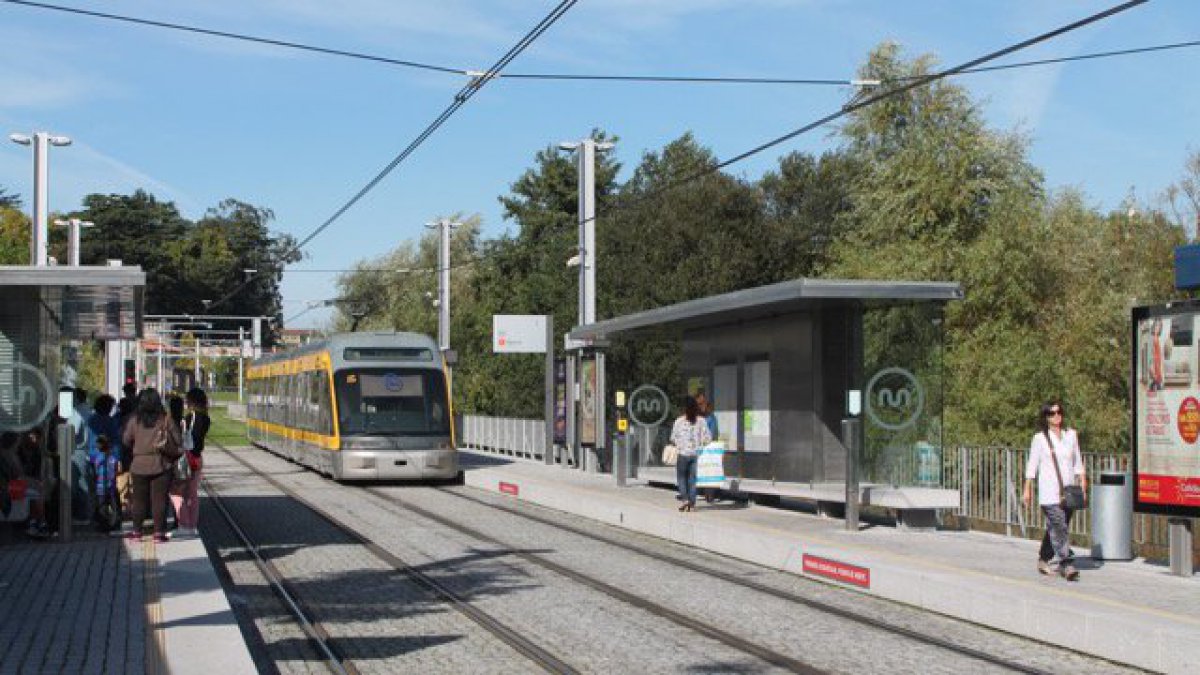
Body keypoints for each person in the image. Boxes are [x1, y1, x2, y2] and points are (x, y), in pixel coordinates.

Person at [1022, 401, 1087, 581]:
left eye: (1059, 412)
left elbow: (1077, 461)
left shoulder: (1071, 435)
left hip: (1068, 492)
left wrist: (1082, 480)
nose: (1056, 416)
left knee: (1057, 528)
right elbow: (1032, 465)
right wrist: (1027, 489)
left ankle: (1043, 559)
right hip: (1049, 493)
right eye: (1051, 413)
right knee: (1059, 525)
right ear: (1046, 417)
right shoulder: (1040, 438)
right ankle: (1067, 563)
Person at [122, 389, 181, 543]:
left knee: (139, 500)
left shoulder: (134, 420)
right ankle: (159, 533)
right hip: (161, 464)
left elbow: (126, 440)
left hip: (139, 465)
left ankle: (136, 532)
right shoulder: (166, 420)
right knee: (159, 500)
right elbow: (178, 441)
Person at [170, 388, 210, 538]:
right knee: (192, 494)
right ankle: (192, 525)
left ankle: (183, 524)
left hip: (187, 458)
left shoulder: (190, 417)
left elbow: (186, 437)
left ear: (192, 401)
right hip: (198, 458)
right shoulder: (206, 417)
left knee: (177, 492)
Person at [1, 431, 48, 537]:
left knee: (38, 491)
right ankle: (39, 522)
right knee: (37, 493)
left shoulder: (11, 455)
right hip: (10, 486)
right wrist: (34, 482)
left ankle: (36, 522)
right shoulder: (9, 456)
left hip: (14, 483)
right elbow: (17, 476)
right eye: (18, 441)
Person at [670, 396, 712, 512]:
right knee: (692, 480)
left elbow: (673, 438)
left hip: (682, 454)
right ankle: (692, 504)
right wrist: (700, 446)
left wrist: (680, 444)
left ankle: (685, 500)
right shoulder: (701, 421)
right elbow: (708, 438)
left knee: (681, 478)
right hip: (695, 455)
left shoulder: (679, 421)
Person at [695, 392, 720, 504]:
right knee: (698, 470)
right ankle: (696, 492)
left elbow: (713, 433)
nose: (701, 406)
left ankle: (709, 495)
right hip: (697, 447)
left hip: (708, 447)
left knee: (709, 470)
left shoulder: (711, 417)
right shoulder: (696, 416)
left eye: (702, 403)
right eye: (699, 404)